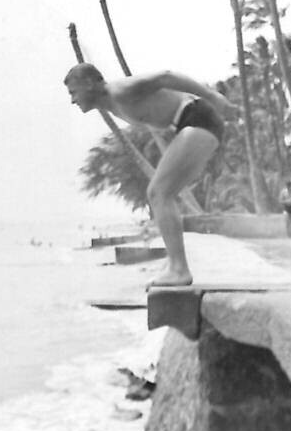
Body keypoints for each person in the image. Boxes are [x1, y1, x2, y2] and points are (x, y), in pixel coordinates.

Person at [64, 63, 236, 286]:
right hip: (195, 121)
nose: (73, 100)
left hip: (198, 117)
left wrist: (212, 96)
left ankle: (179, 269)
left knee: (158, 193)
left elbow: (166, 76)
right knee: (163, 193)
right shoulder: (113, 104)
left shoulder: (120, 91)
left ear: (89, 83)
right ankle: (175, 264)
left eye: (74, 92)